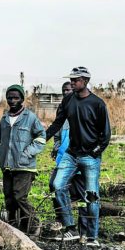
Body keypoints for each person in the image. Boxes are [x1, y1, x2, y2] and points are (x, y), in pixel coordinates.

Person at [45, 67, 111, 244]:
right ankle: (70, 228)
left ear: (86, 81)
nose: (72, 82)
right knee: (57, 185)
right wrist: (43, 138)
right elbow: (58, 123)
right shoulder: (68, 100)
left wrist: (95, 152)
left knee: (91, 196)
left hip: (90, 157)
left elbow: (105, 134)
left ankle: (92, 237)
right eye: (71, 80)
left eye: (76, 80)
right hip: (71, 154)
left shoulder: (97, 104)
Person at [0, 85, 46, 234]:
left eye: (16, 98)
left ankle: (33, 224)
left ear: (22, 99)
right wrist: (0, 153)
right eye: (9, 98)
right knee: (9, 198)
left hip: (24, 166)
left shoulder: (30, 118)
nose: (12, 101)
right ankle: (13, 228)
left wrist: (27, 153)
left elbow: (41, 137)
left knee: (20, 197)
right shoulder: (5, 118)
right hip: (7, 165)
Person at [49, 81, 90, 238]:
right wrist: (57, 147)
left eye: (69, 90)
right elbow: (57, 134)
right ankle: (64, 221)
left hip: (80, 159)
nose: (66, 92)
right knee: (54, 186)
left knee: (81, 194)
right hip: (63, 159)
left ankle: (83, 230)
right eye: (64, 90)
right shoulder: (63, 109)